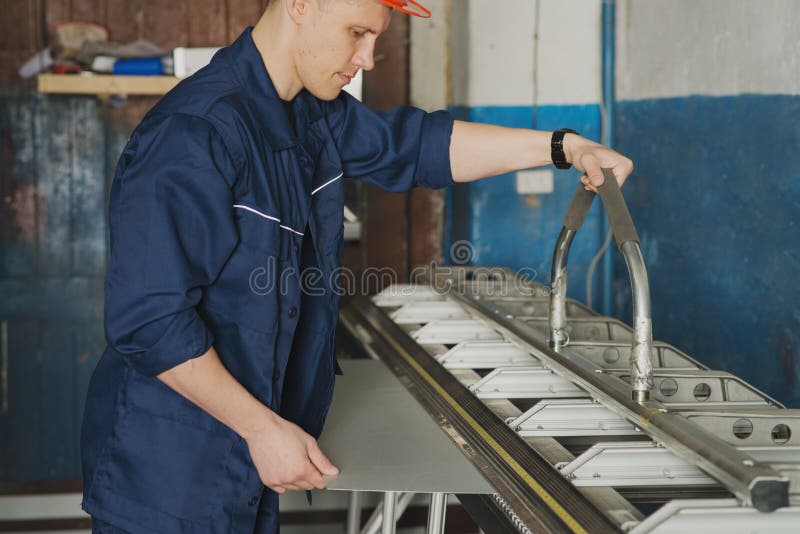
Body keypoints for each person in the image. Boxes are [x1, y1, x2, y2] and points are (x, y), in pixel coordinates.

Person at [80, 0, 634, 532]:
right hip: (171, 464)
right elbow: (149, 320)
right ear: (299, 4)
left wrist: (565, 147)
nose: (368, 59)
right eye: (356, 33)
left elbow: (417, 148)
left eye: (376, 38)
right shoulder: (194, 133)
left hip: (244, 447)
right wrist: (261, 428)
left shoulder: (310, 113)